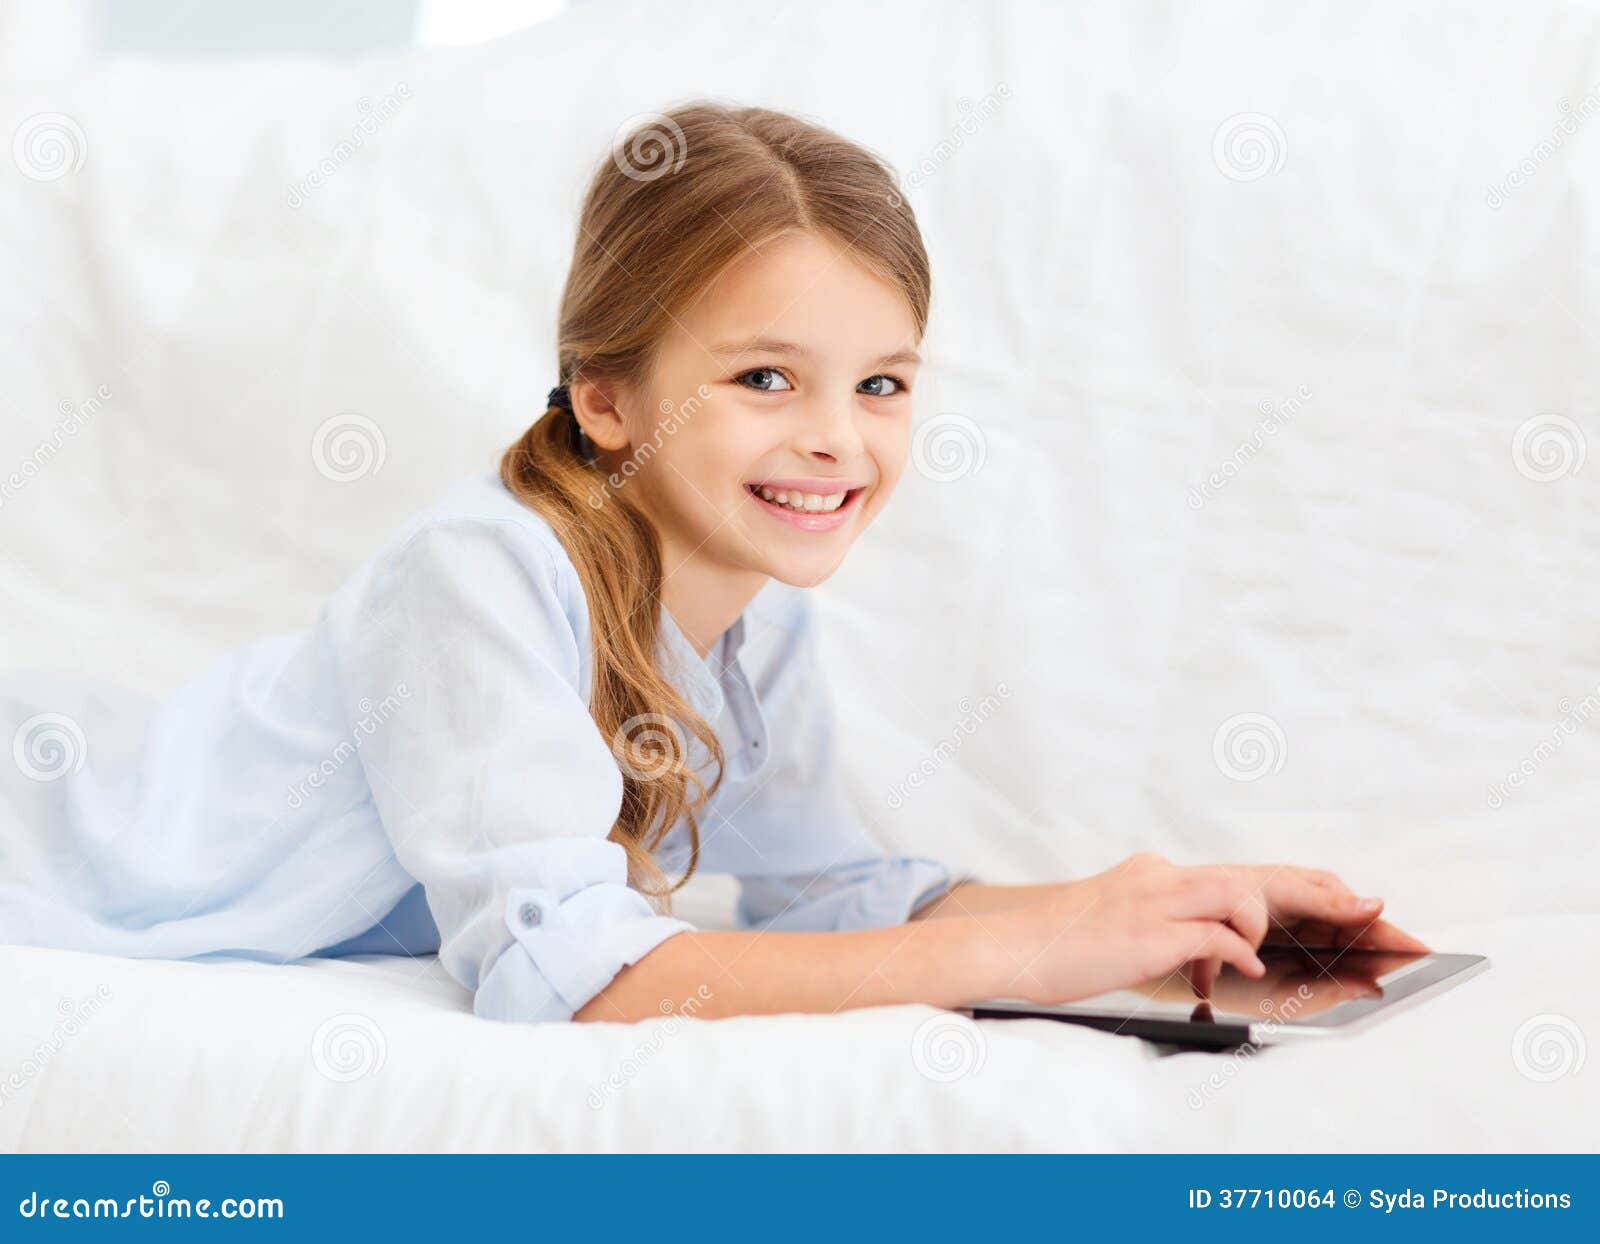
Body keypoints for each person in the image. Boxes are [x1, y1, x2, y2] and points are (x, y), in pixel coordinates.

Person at [0, 102, 1424, 1025]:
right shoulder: (475, 574)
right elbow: (565, 975)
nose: (837, 439)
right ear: (605, 398)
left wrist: (1144, 917)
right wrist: (1013, 962)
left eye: (881, 384)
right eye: (764, 377)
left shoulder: (755, 612)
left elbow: (829, 885)